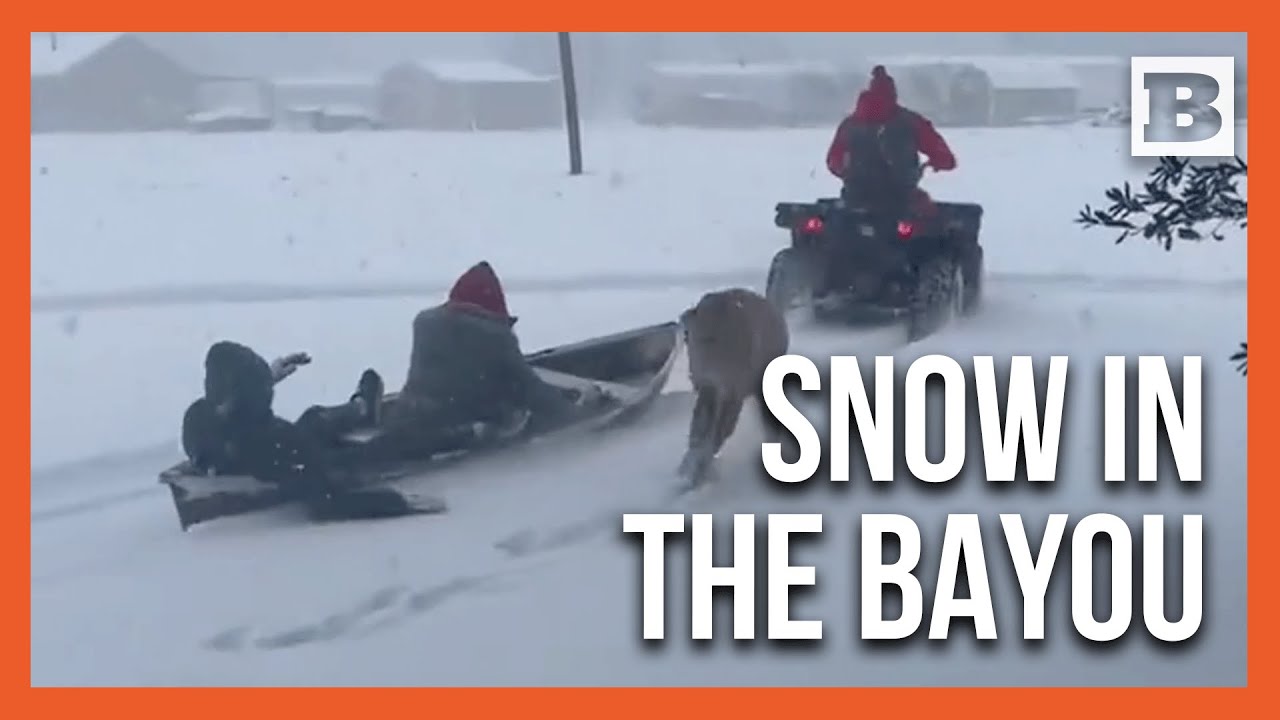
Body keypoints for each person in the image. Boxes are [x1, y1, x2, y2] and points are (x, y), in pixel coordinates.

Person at [377, 260, 605, 455]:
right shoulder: (495, 338)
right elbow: (531, 391)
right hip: (453, 436)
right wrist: (583, 414)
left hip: (405, 421)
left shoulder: (426, 327)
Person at [181, 340, 384, 496]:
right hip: (298, 457)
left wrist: (264, 378)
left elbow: (233, 405)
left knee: (314, 421)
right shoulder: (267, 440)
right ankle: (361, 408)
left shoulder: (200, 418)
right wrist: (391, 501)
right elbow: (322, 491)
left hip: (261, 453)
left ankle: (359, 409)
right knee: (317, 422)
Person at [824, 65, 957, 218]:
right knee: (935, 219)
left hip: (855, 198)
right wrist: (938, 161)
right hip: (902, 198)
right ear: (893, 94)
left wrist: (849, 173)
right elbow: (942, 154)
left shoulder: (850, 125)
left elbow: (833, 160)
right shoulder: (910, 122)